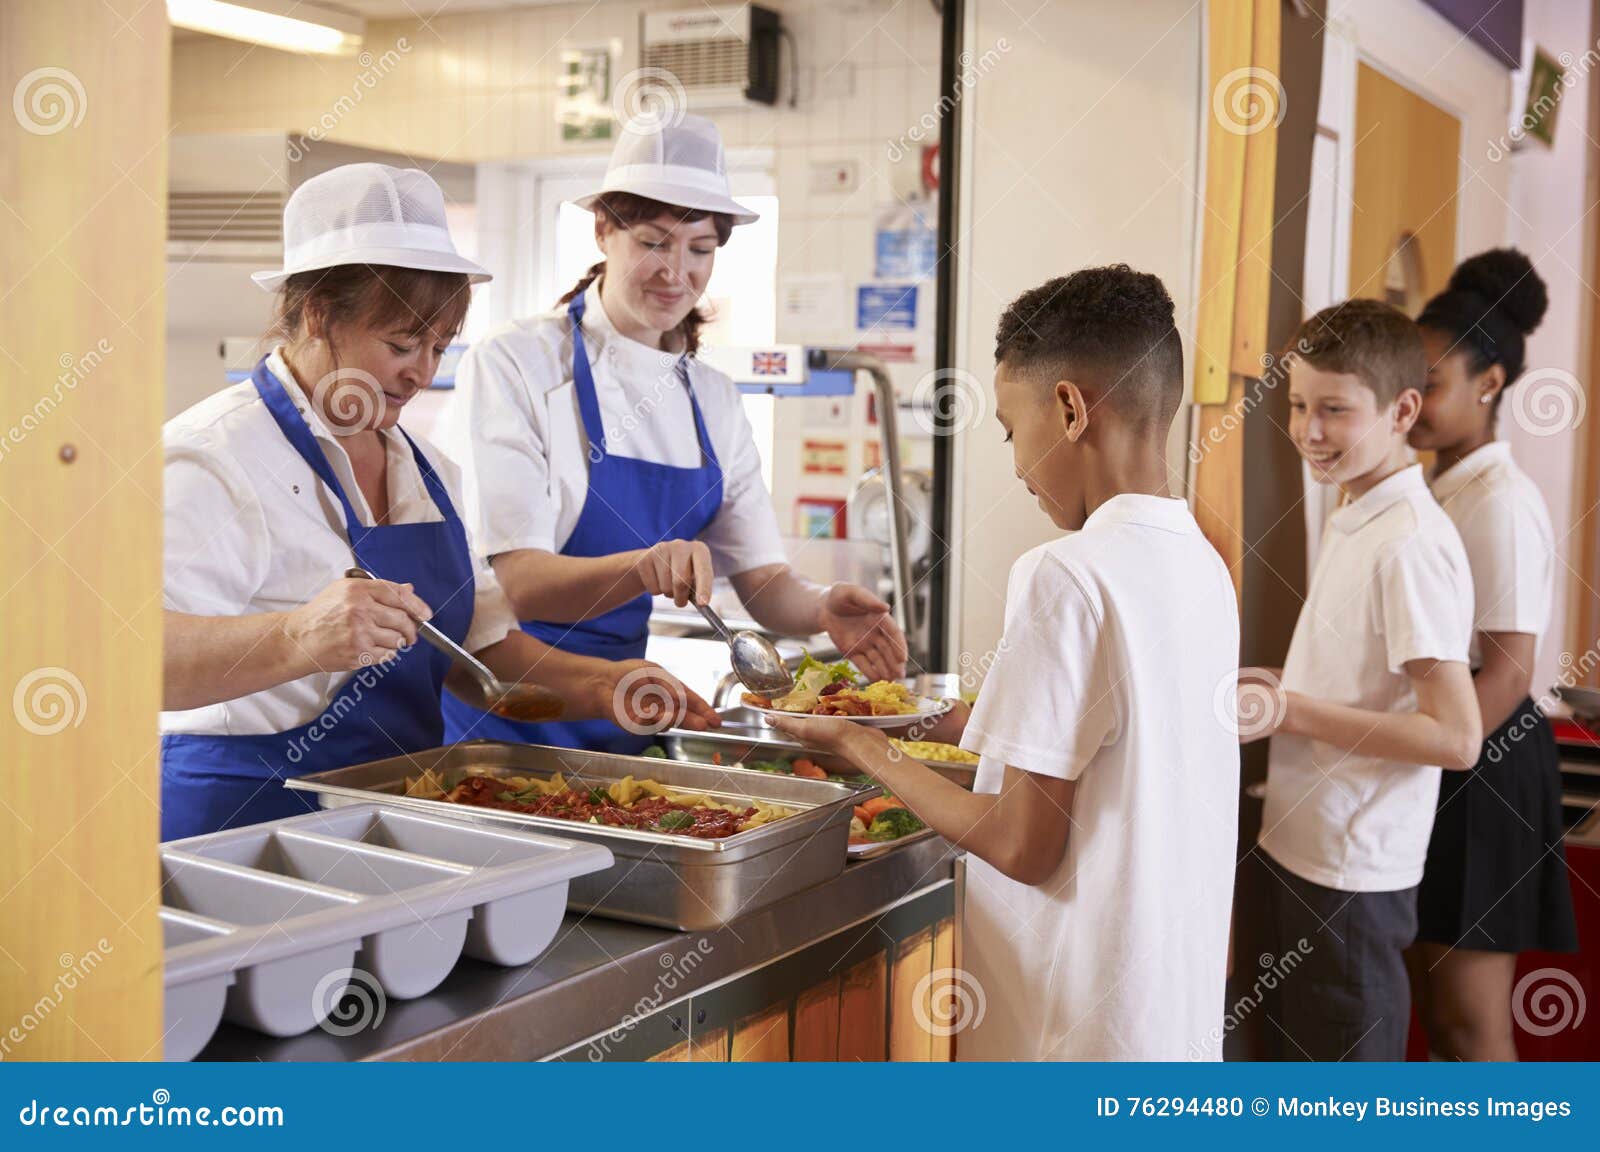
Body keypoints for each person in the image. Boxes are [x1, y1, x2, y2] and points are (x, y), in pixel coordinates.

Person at [161, 163, 715, 841]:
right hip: (242, 827)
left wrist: (609, 686)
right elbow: (129, 660)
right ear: (317, 314)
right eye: (400, 344)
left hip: (393, 823)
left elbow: (480, 656)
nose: (422, 372)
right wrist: (299, 636)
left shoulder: (426, 472)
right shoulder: (217, 456)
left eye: (438, 346)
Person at [772, 267, 1241, 1060]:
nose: (1017, 466)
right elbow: (1117, 742)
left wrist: (860, 746)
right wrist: (933, 717)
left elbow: (1025, 844)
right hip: (1168, 1024)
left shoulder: (1065, 572)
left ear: (1068, 408)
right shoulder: (1201, 562)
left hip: (1072, 1032)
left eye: (1009, 430)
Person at [440, 114, 905, 754]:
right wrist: (645, 567)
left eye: (700, 249)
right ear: (603, 229)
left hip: (630, 712)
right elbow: (521, 584)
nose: (677, 272)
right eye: (654, 242)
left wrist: (822, 606)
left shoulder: (711, 397)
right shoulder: (516, 362)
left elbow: (766, 584)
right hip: (512, 713)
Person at [1247, 298, 1482, 1061]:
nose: (1310, 431)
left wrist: (1292, 709)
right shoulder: (1358, 515)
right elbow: (1367, 679)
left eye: (1336, 410)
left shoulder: (1409, 544)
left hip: (1351, 875)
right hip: (1305, 848)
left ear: (1402, 410)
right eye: (1298, 405)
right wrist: (1284, 683)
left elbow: (1456, 737)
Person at [1406, 249, 1579, 1060]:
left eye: (1433, 384)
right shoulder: (1441, 489)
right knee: (1438, 1019)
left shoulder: (1500, 503)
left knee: (1473, 1027)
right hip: (1448, 754)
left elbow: (1508, 669)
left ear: (1491, 383)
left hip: (1486, 762)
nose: (1412, 403)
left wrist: (1426, 752)